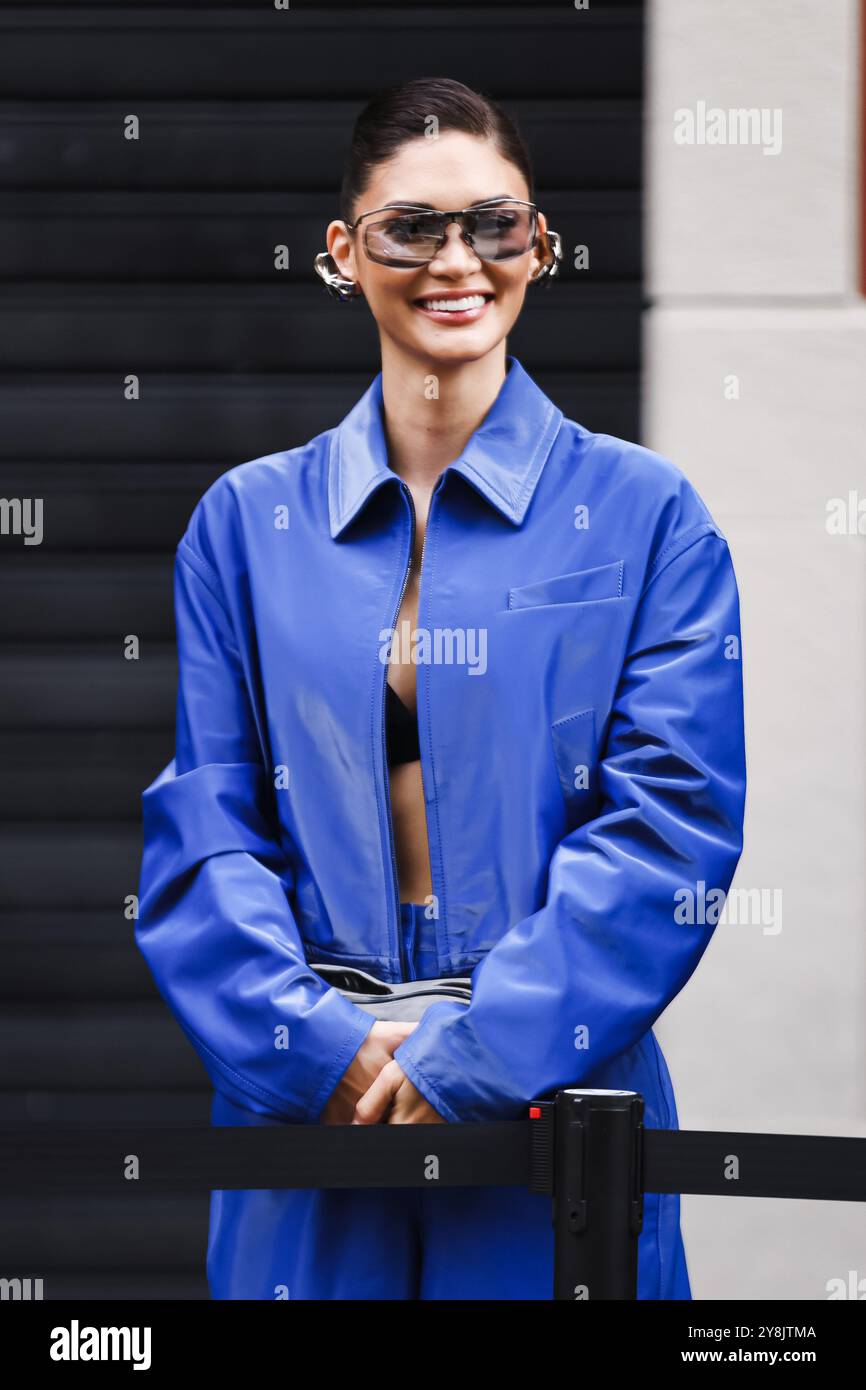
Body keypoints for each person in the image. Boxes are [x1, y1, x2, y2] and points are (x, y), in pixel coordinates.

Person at [136, 77, 746, 1300]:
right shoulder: (244, 525)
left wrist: (483, 1050)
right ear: (342, 255)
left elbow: (669, 830)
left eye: (495, 224)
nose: (456, 260)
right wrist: (315, 1049)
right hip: (314, 1113)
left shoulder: (645, 517)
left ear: (539, 246)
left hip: (557, 1111)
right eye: (412, 227)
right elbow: (204, 829)